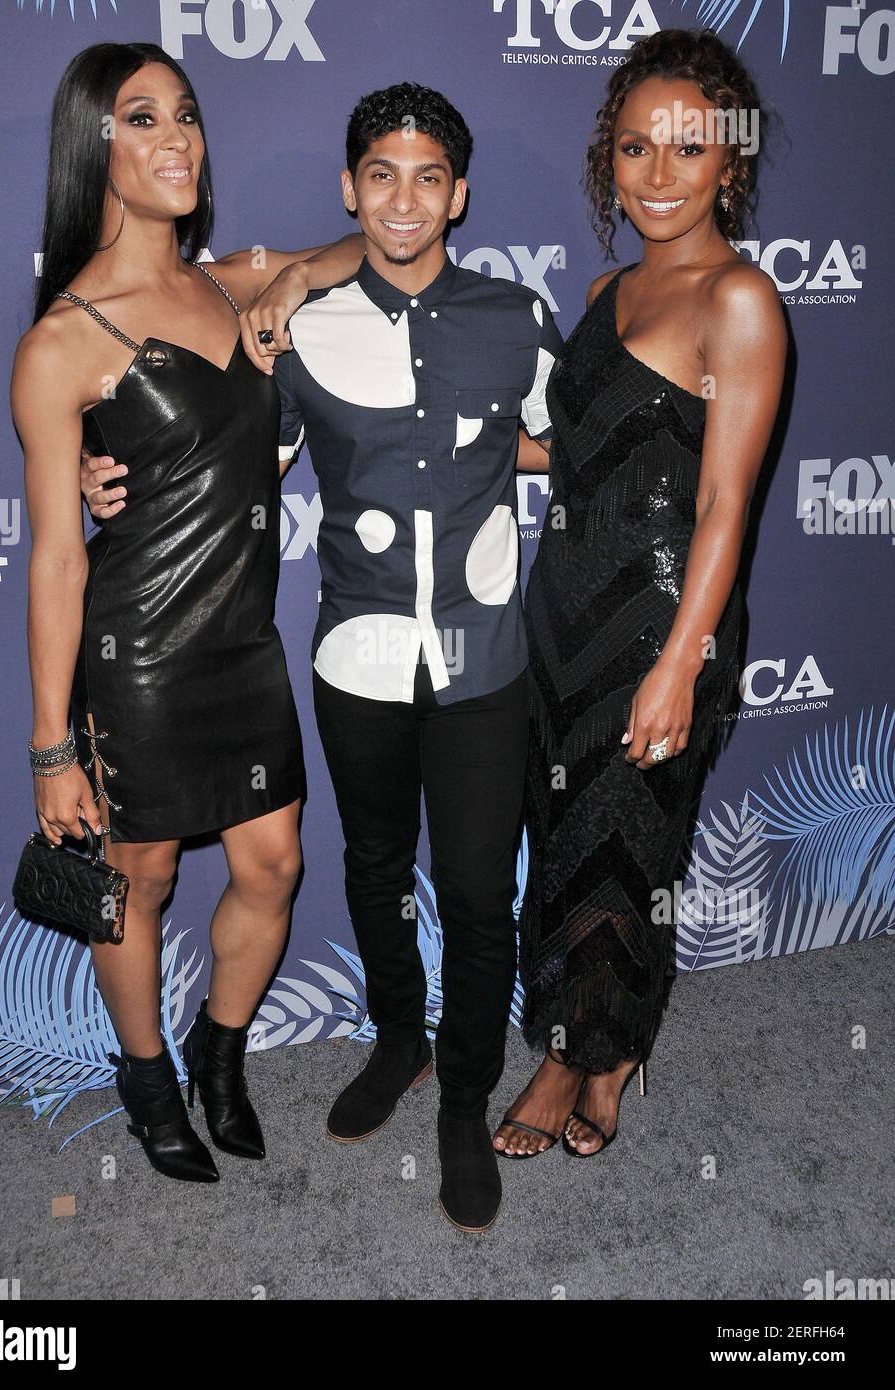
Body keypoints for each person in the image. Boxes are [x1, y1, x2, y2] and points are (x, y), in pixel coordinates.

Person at [82, 81, 564, 1232]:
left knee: (476, 892)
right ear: (350, 191)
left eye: (430, 177)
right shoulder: (293, 328)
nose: (405, 200)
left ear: (461, 195)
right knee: (373, 872)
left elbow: (561, 439)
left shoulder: (517, 315)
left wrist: (508, 456)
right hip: (353, 663)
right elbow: (216, 454)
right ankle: (397, 1038)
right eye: (381, 177)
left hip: (484, 666)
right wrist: (85, 474)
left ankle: (460, 1098)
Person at [12, 41, 364, 1183]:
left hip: (241, 644)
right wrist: (51, 745)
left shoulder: (233, 278)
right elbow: (59, 563)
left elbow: (378, 245)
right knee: (142, 877)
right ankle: (149, 1076)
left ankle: (222, 1054)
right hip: (140, 653)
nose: (177, 140)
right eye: (142, 118)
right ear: (96, 147)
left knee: (272, 866)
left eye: (188, 117)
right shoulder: (63, 338)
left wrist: (296, 285)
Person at [493, 28, 786, 1160]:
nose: (657, 174)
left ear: (729, 163)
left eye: (686, 148)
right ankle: (612, 1047)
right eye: (633, 148)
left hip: (662, 622)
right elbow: (577, 453)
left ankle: (576, 1059)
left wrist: (676, 663)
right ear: (607, 159)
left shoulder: (739, 299)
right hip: (562, 613)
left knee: (623, 850)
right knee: (563, 843)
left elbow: (725, 506)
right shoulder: (612, 285)